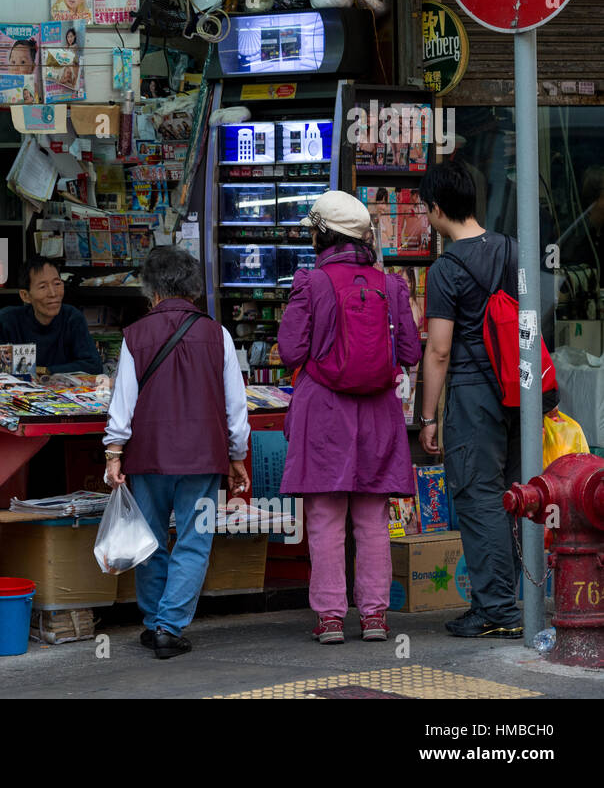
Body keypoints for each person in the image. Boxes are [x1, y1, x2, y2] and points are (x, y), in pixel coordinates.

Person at [277, 191, 420, 644]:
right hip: (378, 413)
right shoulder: (391, 285)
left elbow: (291, 351)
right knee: (373, 520)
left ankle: (331, 618)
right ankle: (375, 617)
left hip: (323, 412)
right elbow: (412, 352)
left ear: (322, 235)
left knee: (324, 519)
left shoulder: (311, 283)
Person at [103, 246, 250, 659]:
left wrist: (114, 452)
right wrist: (237, 454)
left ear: (152, 293)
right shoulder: (217, 334)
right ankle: (170, 626)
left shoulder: (135, 335)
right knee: (193, 540)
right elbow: (235, 407)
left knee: (148, 539)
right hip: (203, 457)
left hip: (148, 456)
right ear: (194, 291)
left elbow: (122, 404)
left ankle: (154, 624)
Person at [416, 162, 530, 640]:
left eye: (426, 208)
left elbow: (439, 350)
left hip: (472, 396)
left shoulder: (446, 269)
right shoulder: (512, 249)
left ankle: (498, 610)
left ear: (438, 209)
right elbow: (529, 321)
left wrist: (427, 417)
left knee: (478, 498)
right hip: (514, 392)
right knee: (507, 496)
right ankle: (506, 601)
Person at [0, 256, 101, 375]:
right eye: (43, 287)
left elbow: (93, 366)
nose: (53, 293)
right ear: (25, 295)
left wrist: (46, 372)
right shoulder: (6, 321)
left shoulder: (72, 318)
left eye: (57, 283)